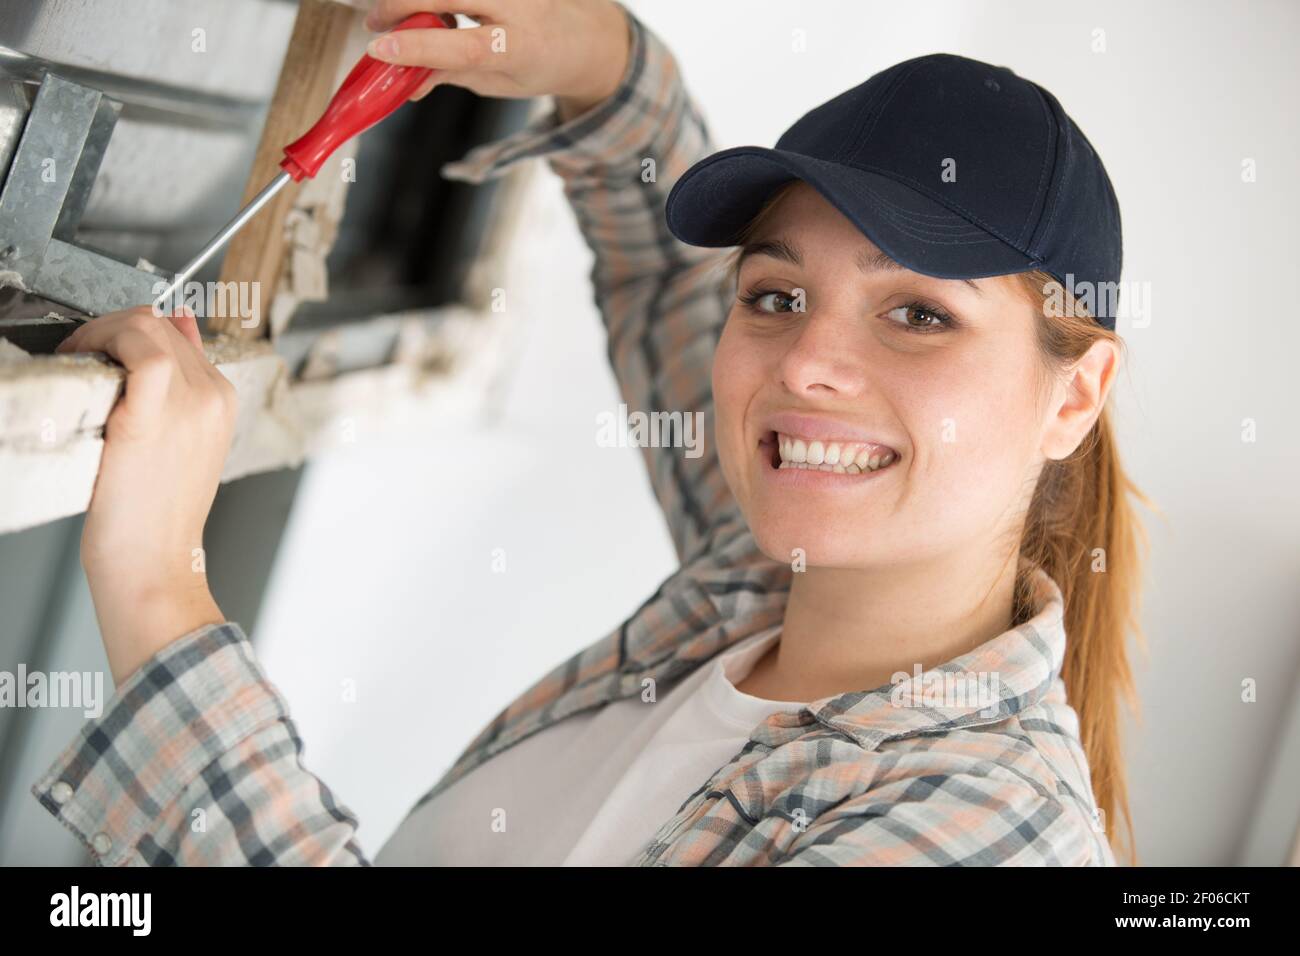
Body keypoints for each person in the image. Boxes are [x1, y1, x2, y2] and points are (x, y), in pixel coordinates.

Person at [39, 0, 1149, 866]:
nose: (807, 361)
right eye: (773, 295)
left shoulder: (983, 830)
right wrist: (595, 59)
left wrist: (155, 584)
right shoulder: (756, 586)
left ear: (1073, 396)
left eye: (918, 315)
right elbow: (667, 281)